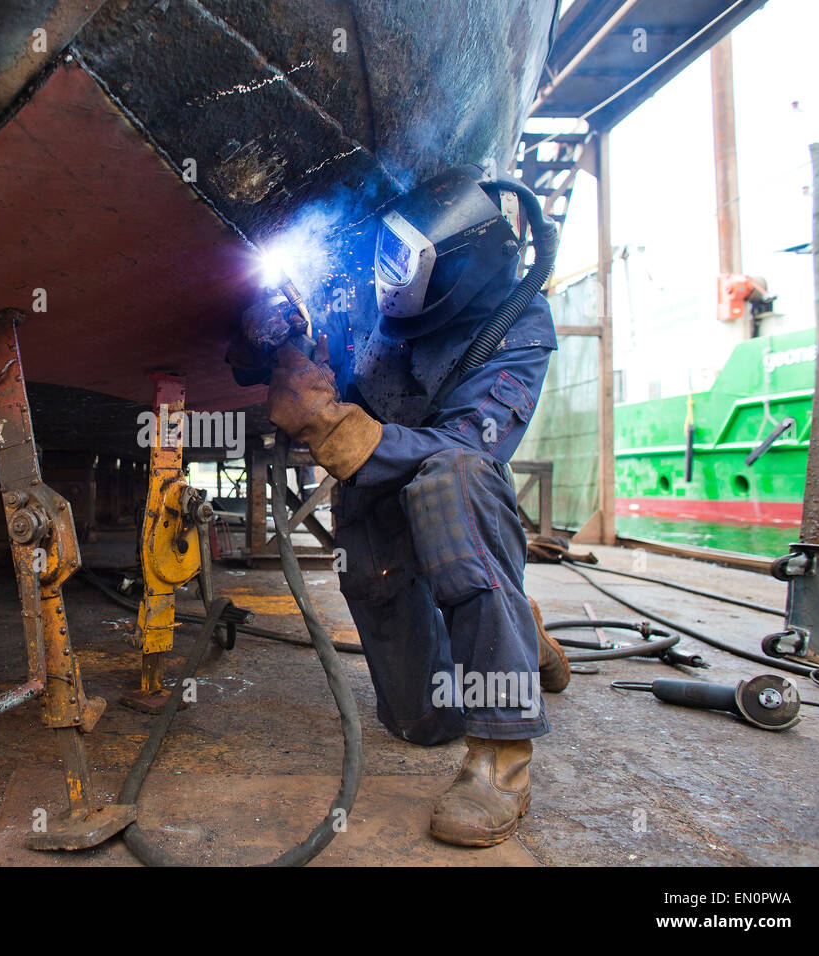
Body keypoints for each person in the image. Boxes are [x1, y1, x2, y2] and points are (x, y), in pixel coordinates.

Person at [257, 165, 571, 847]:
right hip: (377, 497)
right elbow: (308, 349)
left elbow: (467, 445)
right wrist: (273, 345)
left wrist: (331, 427)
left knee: (452, 479)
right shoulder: (379, 285)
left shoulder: (516, 327)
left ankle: (502, 761)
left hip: (450, 489)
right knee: (423, 722)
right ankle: (524, 631)